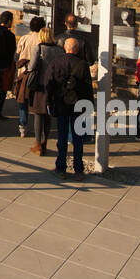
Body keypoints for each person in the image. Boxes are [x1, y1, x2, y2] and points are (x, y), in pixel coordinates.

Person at [49, 36, 94, 179]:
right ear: (77, 49)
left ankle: (61, 167)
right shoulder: (82, 64)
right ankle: (78, 169)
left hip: (62, 103)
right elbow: (87, 87)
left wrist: (49, 101)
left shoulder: (56, 62)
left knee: (62, 137)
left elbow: (49, 83)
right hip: (78, 104)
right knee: (78, 139)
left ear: (65, 48)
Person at [28, 27, 61, 156]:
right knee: (47, 115)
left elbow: (32, 66)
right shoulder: (59, 50)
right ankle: (44, 142)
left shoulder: (39, 48)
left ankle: (38, 144)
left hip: (40, 84)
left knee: (38, 114)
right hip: (53, 85)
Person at [14, 15, 46, 136]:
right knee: (37, 100)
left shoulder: (24, 38)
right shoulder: (42, 40)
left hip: (23, 73)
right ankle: (40, 128)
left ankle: (22, 126)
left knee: (23, 99)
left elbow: (17, 56)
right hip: (38, 73)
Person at [0, 11, 17, 120]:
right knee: (2, 90)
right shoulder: (10, 35)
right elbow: (11, 51)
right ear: (9, 21)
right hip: (4, 66)